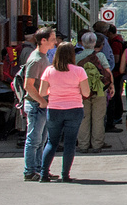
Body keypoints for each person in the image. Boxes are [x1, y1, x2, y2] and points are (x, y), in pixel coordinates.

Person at [38, 43, 90, 182]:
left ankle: (43, 174)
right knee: (70, 143)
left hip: (54, 109)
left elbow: (42, 92)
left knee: (51, 142)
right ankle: (65, 175)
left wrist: (54, 91)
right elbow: (86, 92)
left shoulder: (49, 71)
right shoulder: (79, 71)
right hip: (74, 109)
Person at [19, 28, 58, 181]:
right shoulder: (36, 59)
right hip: (36, 105)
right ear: (43, 40)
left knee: (40, 140)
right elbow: (28, 85)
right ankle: (29, 171)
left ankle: (39, 169)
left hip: (40, 104)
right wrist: (42, 101)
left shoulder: (42, 57)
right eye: (53, 39)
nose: (55, 42)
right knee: (34, 140)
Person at [75, 33, 113, 152]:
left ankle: (83, 145)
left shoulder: (77, 57)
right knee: (98, 118)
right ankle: (97, 144)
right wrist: (111, 86)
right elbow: (107, 71)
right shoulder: (100, 56)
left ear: (82, 42)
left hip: (82, 91)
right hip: (99, 90)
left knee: (83, 118)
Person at [104, 23, 126, 132]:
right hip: (119, 73)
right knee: (117, 95)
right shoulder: (118, 40)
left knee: (115, 95)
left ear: (109, 33)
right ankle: (118, 116)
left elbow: (116, 59)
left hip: (116, 73)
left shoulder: (115, 44)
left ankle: (117, 116)